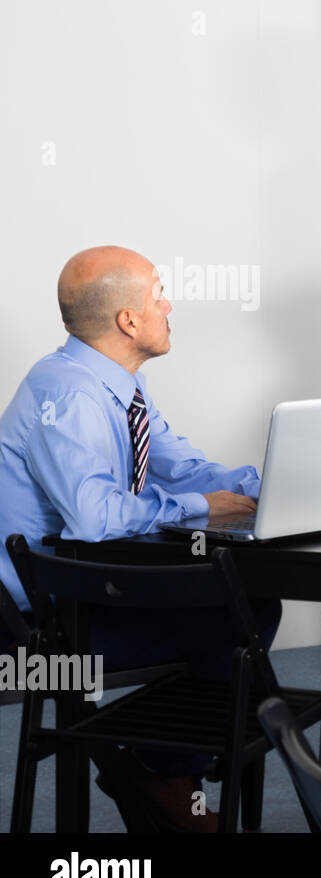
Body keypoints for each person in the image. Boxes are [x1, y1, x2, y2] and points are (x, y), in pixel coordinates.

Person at [0, 245, 280, 831]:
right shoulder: (71, 395)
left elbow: (183, 467)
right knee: (238, 618)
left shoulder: (119, 385)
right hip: (36, 635)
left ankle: (155, 769)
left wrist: (274, 482)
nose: (169, 304)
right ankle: (161, 775)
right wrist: (204, 507)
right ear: (129, 321)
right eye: (159, 294)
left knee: (244, 611)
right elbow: (94, 518)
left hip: (80, 598)